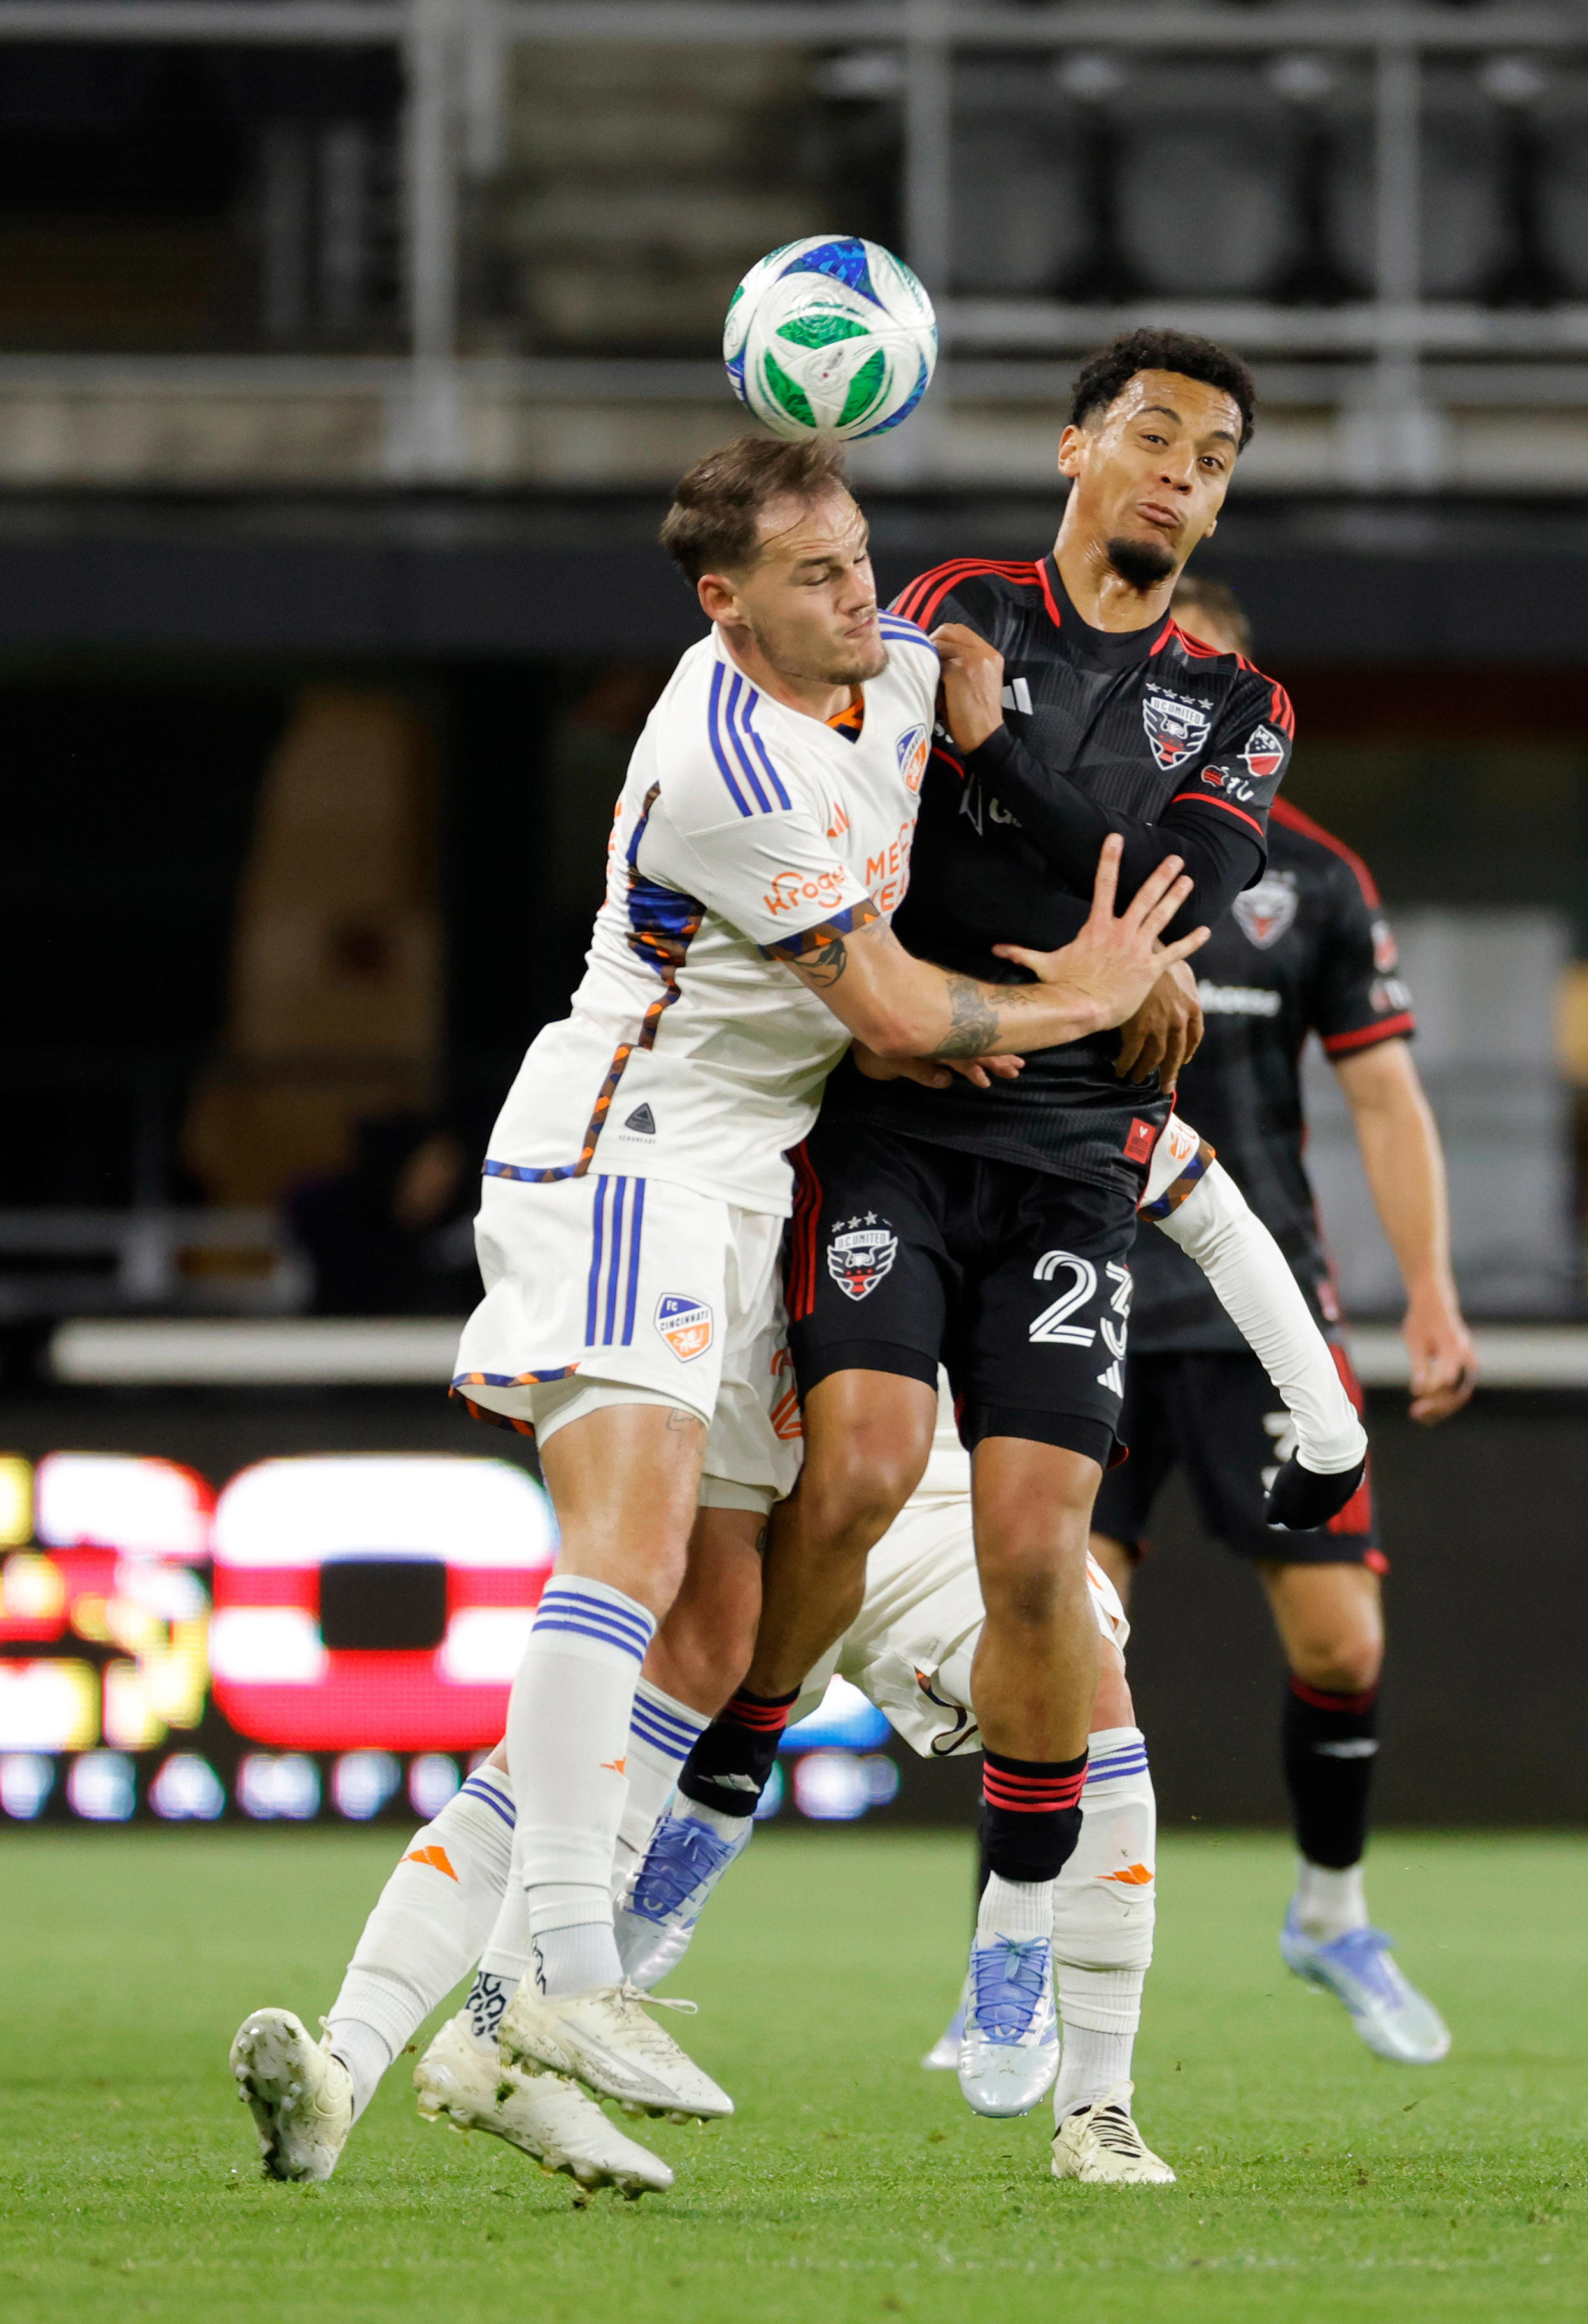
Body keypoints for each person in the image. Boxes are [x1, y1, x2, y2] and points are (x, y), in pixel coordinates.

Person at [230, 430, 1195, 2187]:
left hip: (749, 1190)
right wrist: (1095, 999)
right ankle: (576, 1967)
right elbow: (902, 1017)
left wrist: (986, 719)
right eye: (816, 576)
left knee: (700, 1635)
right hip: (631, 1152)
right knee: (625, 1552)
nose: (863, 596)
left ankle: (390, 2051)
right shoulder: (720, 757)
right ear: (719, 602)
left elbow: (997, 765)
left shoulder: (891, 674)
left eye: (860, 557)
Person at [225, 1110, 1365, 2197]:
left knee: (1086, 1674)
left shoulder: (987, 1051)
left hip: (922, 1494)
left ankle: (1098, 2108)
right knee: (550, 1775)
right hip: (757, 1504)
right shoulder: (735, 1083)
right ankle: (366, 2064)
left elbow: (1191, 1191)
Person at [633, 332, 1306, 2122]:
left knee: (1035, 1561)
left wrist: (1006, 763)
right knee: (850, 1470)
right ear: (1075, 444)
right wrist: (1103, 944)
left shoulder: (1241, 706)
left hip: (1074, 1161)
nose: (1179, 470)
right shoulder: (941, 600)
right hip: (900, 1121)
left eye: (1213, 453)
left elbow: (1164, 895)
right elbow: (1018, 883)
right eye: (1150, 434)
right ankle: (733, 1772)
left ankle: (1010, 1932)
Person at [1088, 570, 1478, 2067]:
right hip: (1087, 1292)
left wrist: (1426, 1290)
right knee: (1051, 1632)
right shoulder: (1067, 859)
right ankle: (1018, 1943)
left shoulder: (1309, 878)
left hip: (1257, 1306)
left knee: (1336, 1640)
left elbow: (1380, 1089)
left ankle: (1328, 1911)